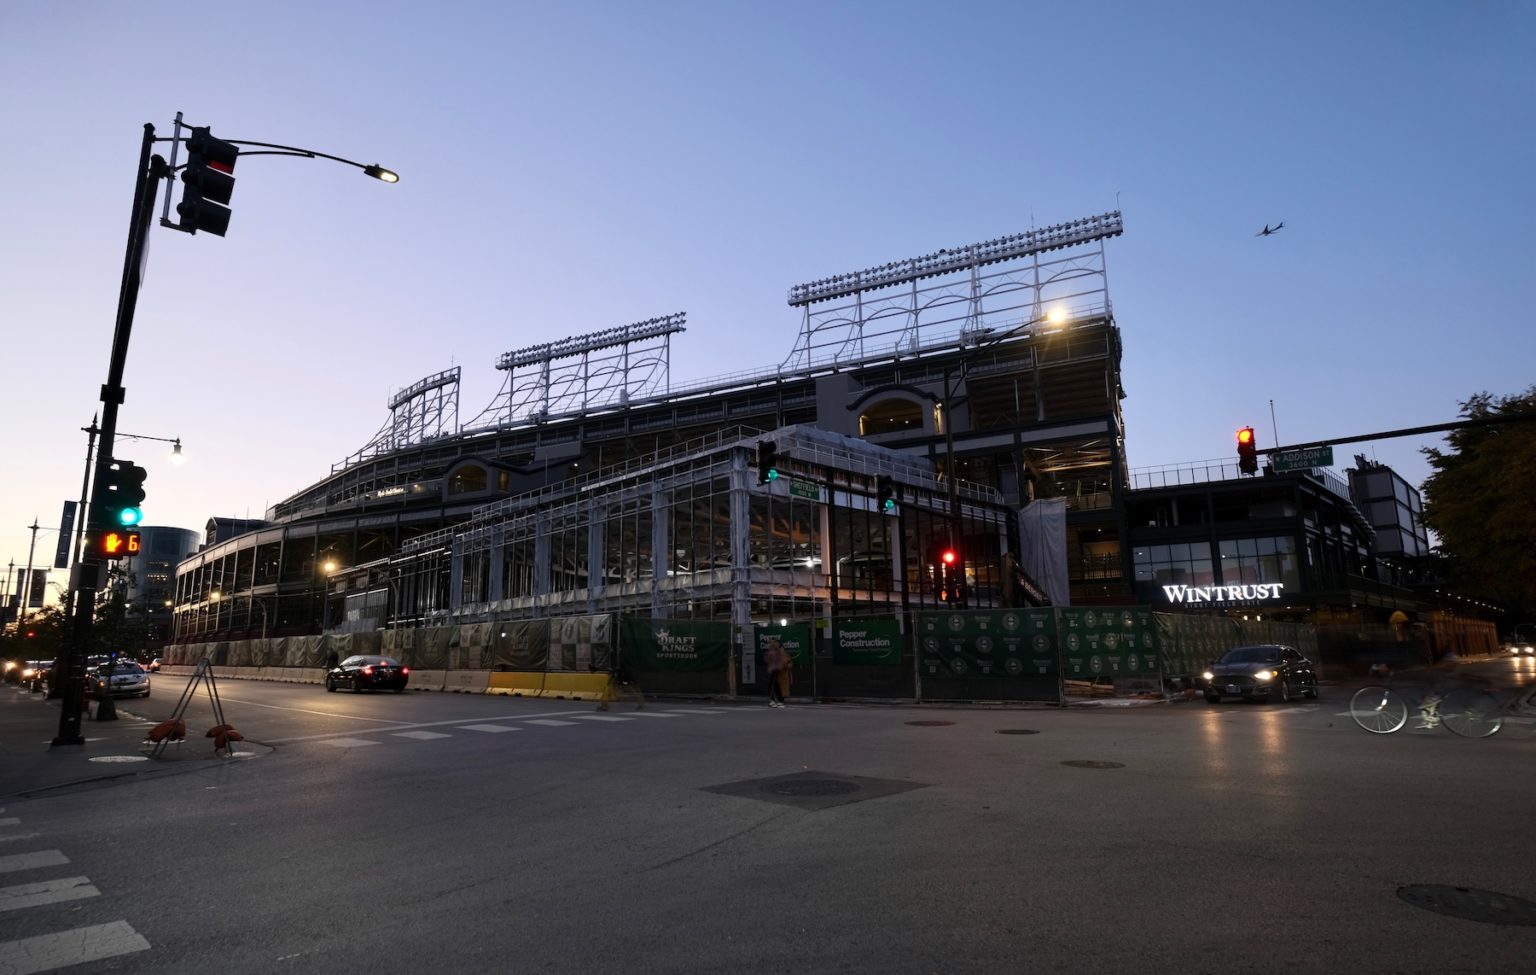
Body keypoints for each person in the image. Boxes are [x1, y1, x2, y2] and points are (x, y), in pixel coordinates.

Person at [765, 637, 792, 708]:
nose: (772, 643)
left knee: (776, 686)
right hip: (774, 670)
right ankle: (774, 700)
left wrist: (783, 665)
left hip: (779, 671)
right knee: (773, 686)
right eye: (771, 642)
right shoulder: (771, 651)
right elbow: (768, 660)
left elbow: (785, 661)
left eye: (774, 642)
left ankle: (779, 701)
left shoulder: (780, 651)